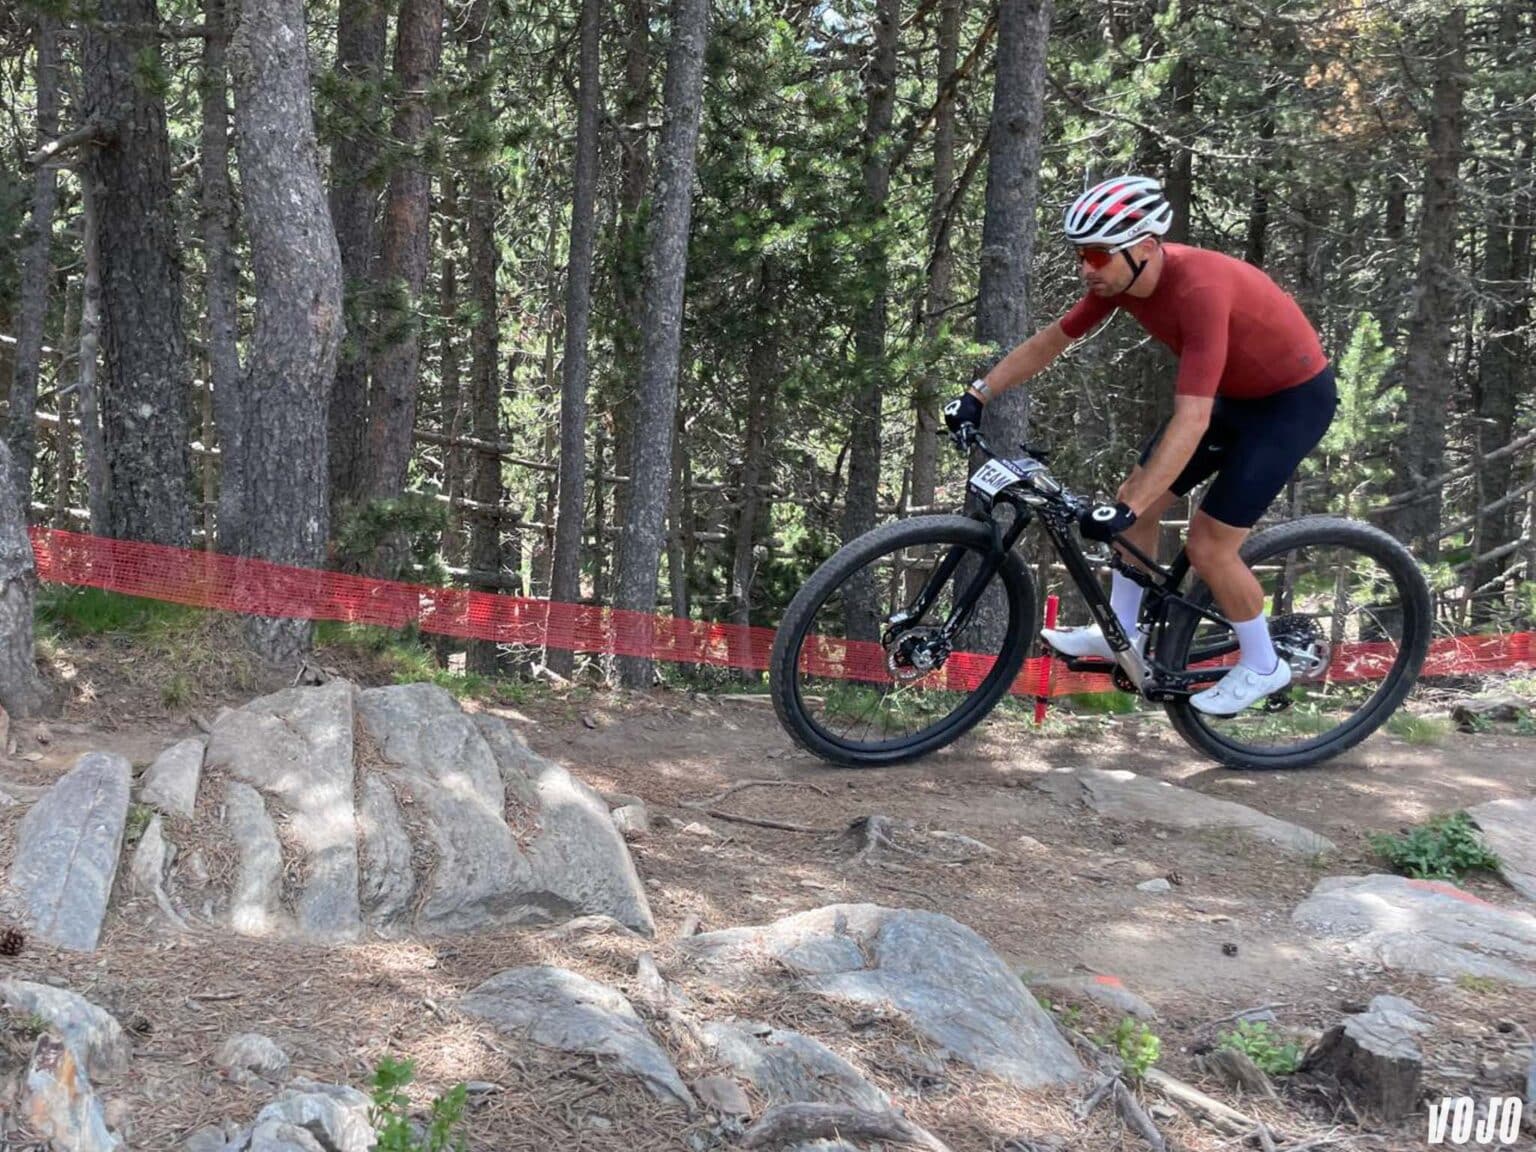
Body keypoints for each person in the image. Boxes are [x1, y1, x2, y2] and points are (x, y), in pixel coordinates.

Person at [943, 175, 1338, 716]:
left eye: (1098, 255)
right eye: (1082, 253)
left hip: (1291, 404)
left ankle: (1264, 664)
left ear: (1146, 248)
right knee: (1134, 507)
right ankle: (1119, 633)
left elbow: (1193, 416)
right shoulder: (1122, 282)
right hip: (1237, 396)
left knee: (1208, 545)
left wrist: (1127, 506)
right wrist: (978, 394)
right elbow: (1051, 341)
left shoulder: (1200, 290)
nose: (1087, 267)